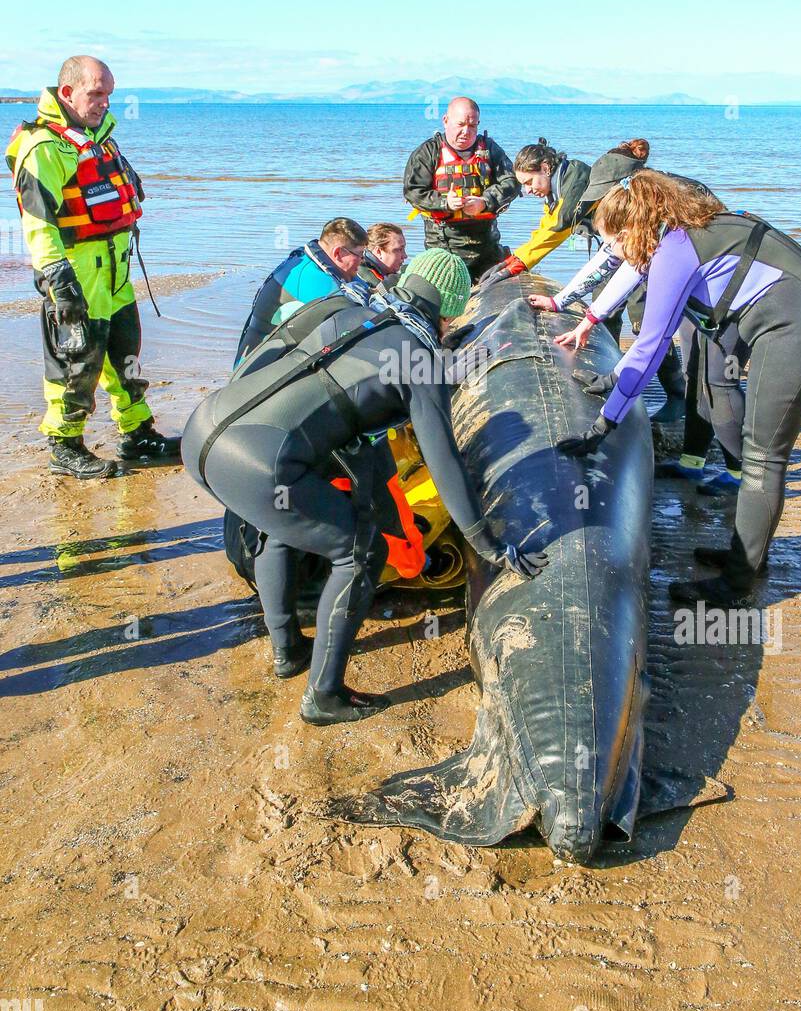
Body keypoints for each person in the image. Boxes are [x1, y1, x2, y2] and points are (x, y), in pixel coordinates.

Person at [182, 248, 547, 724]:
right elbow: (445, 464)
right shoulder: (419, 360)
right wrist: (488, 543)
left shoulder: (345, 306)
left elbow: (269, 355)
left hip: (204, 432)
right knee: (360, 552)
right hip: (261, 463)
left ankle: (288, 650)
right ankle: (324, 696)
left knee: (281, 526)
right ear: (451, 310)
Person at [554, 170, 801, 607]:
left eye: (613, 241)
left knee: (764, 455)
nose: (612, 252)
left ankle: (736, 586)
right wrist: (612, 379)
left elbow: (650, 347)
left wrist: (602, 425)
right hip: (784, 307)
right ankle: (746, 556)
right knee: (749, 438)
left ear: (635, 226)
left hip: (800, 319)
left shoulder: (674, 252)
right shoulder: (674, 234)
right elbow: (643, 331)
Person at [5, 55, 180, 478]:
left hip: (116, 271)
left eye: (109, 94)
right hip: (77, 276)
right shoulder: (44, 146)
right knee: (76, 362)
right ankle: (64, 446)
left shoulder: (98, 137)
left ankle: (138, 434)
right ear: (67, 92)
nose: (104, 102)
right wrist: (59, 282)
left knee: (126, 355)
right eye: (95, 93)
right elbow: (38, 223)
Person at [485, 137, 689, 424]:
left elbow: (553, 234)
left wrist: (514, 265)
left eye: (529, 182)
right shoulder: (561, 183)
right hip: (619, 248)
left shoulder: (574, 184)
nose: (527, 190)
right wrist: (515, 264)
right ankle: (615, 373)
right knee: (606, 314)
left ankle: (676, 394)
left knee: (645, 321)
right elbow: (549, 228)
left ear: (545, 167)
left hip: (641, 248)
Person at [403, 97, 520, 281]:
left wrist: (485, 202)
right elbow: (412, 191)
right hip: (443, 246)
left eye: (473, 126)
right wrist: (445, 202)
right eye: (461, 124)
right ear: (445, 121)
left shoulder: (489, 149)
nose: (466, 131)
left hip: (487, 246)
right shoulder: (428, 152)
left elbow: (512, 181)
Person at [235, 217, 370, 364]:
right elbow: (353, 320)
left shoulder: (311, 259)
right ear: (338, 253)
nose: (363, 260)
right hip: (261, 368)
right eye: (360, 254)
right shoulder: (315, 280)